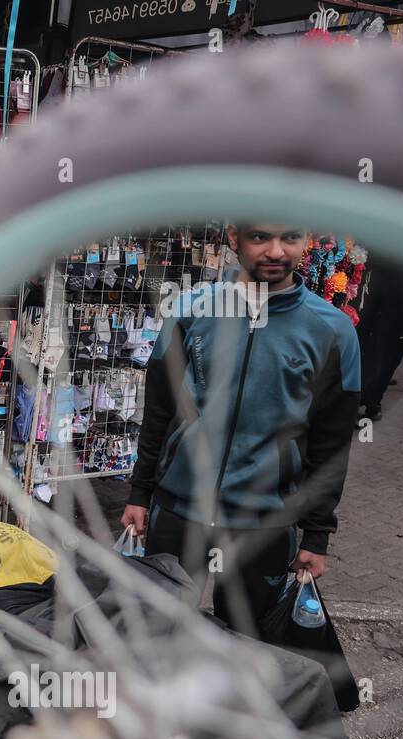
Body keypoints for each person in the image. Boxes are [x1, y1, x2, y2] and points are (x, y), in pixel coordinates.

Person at [122, 223, 360, 638]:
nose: (276, 251)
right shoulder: (189, 310)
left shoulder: (333, 331)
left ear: (305, 240)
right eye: (259, 238)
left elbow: (331, 442)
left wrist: (317, 534)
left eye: (289, 238)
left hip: (264, 524)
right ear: (234, 237)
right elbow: (158, 412)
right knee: (156, 634)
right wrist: (140, 494)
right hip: (179, 512)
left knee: (246, 644)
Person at [354, 259, 403, 422]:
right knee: (379, 347)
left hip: (399, 287)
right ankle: (367, 400)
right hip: (381, 280)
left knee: (386, 348)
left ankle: (369, 400)